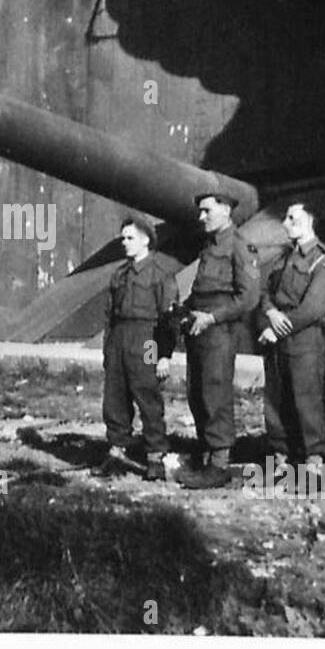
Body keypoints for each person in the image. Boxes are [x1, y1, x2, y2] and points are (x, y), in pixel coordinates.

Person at [176, 191, 260, 489]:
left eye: (206, 211)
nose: (201, 217)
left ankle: (220, 464)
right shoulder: (209, 247)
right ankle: (207, 454)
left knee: (215, 393)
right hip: (198, 329)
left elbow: (248, 298)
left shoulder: (240, 247)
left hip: (219, 331)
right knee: (197, 393)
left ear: (226, 210)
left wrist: (211, 318)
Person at [257, 203, 325, 488]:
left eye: (294, 218)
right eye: (287, 218)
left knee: (307, 402)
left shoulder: (321, 260)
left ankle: (312, 465)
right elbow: (265, 292)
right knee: (276, 402)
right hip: (278, 338)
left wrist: (277, 330)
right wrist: (270, 313)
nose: (288, 223)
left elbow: (313, 309)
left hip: (304, 341)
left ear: (311, 221)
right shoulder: (284, 258)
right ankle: (280, 461)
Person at [96, 217, 178, 482]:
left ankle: (155, 456)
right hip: (120, 338)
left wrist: (163, 355)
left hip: (147, 340)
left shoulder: (160, 274)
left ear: (146, 240)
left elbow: (168, 319)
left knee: (147, 394)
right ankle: (117, 451)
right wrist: (108, 350)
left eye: (130, 238)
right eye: (123, 238)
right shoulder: (119, 274)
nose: (125, 243)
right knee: (115, 397)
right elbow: (109, 315)